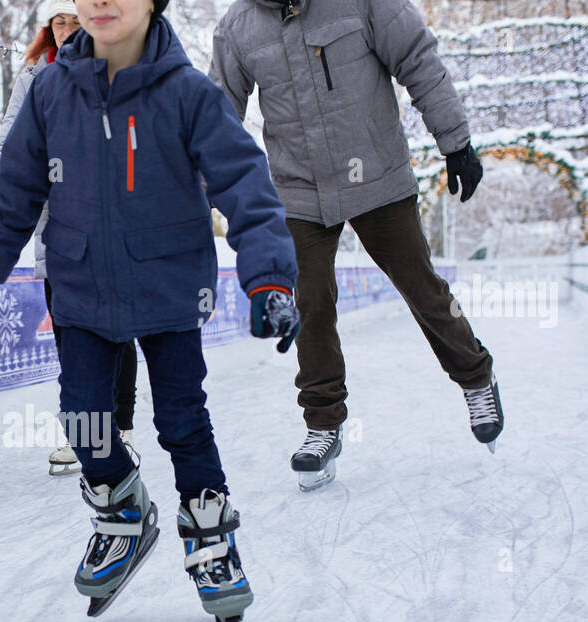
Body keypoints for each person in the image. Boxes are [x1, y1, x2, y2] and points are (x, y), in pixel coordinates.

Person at [0, 0, 300, 622]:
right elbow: (14, 188)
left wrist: (270, 279)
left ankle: (210, 536)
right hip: (81, 286)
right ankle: (122, 511)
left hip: (168, 287)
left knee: (182, 422)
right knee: (84, 418)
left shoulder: (188, 93)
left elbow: (246, 186)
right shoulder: (51, 91)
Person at [209, 0, 504, 492]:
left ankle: (476, 378)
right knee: (311, 302)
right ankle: (322, 425)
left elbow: (418, 59)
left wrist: (455, 142)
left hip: (378, 176)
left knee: (422, 288)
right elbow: (216, 118)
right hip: (299, 190)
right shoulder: (237, 28)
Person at [0, 0, 139, 477]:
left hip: (110, 216)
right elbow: (8, 143)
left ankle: (119, 426)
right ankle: (88, 434)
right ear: (49, 29)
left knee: (113, 323)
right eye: (58, 22)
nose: (67, 30)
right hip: (54, 222)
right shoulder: (34, 75)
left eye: (73, 20)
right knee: (68, 325)